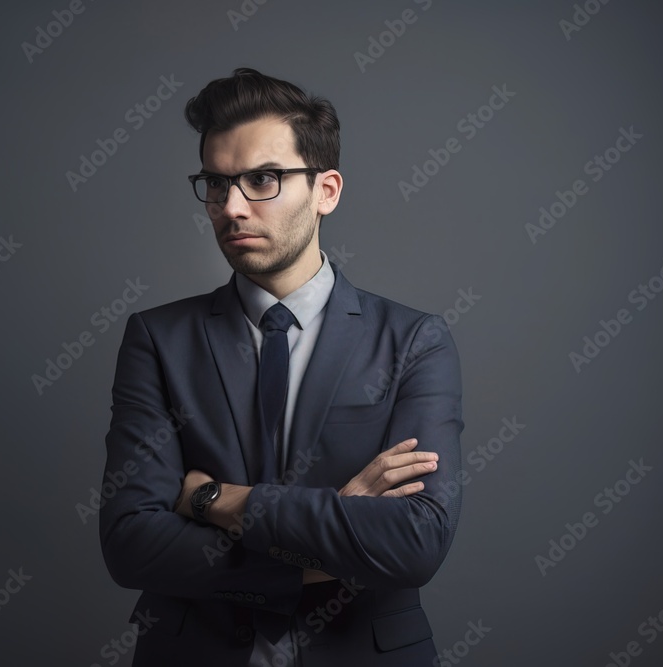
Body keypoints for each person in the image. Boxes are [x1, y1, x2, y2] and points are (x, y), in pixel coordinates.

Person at [99, 67, 464, 666]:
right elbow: (132, 544)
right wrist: (328, 550)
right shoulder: (158, 338)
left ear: (327, 190)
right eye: (216, 184)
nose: (232, 207)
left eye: (262, 179)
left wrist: (212, 499)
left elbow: (416, 543)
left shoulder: (413, 340)